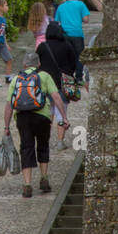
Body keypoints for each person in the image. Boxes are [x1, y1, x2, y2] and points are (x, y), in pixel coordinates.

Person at [3, 51, 69, 198]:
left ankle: (27, 184)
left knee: (26, 147)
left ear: (24, 64)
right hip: (42, 116)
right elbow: (56, 97)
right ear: (38, 64)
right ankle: (44, 178)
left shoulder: (17, 79)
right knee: (43, 145)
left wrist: (6, 126)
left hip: (22, 117)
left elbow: (9, 105)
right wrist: (64, 117)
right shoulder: (44, 76)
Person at [39, 20, 79, 149]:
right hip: (62, 83)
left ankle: (44, 140)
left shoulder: (42, 47)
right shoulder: (66, 45)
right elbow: (74, 63)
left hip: (45, 83)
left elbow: (38, 63)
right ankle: (60, 141)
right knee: (61, 112)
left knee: (47, 112)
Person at [55, 0, 91, 86]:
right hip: (77, 34)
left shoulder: (60, 7)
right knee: (79, 56)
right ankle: (79, 77)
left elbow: (57, 22)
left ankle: (68, 77)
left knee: (67, 56)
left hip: (65, 35)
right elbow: (86, 20)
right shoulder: (80, 4)